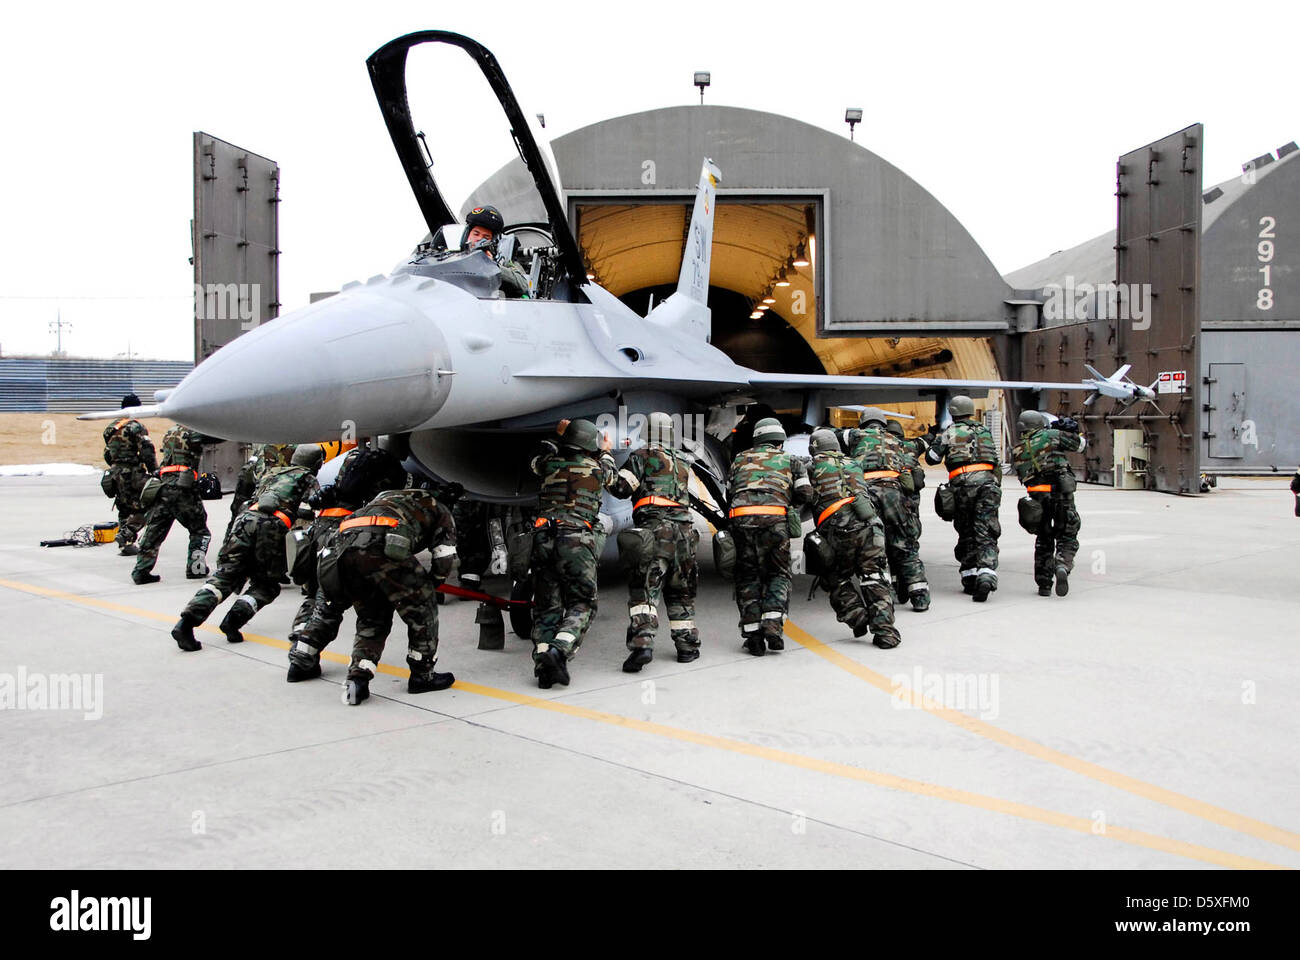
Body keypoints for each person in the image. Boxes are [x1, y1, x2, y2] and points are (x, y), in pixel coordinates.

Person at [171, 444, 322, 652]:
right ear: (317, 463)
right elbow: (312, 510)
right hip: (272, 526)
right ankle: (233, 621)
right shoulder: (308, 478)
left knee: (226, 575)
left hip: (244, 520)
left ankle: (185, 624)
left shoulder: (273, 472)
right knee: (266, 585)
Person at [324, 487, 458, 706]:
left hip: (344, 544)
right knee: (422, 612)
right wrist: (433, 583)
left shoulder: (388, 497)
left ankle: (357, 678)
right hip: (382, 543)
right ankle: (422, 675)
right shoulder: (439, 508)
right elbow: (444, 556)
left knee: (372, 617)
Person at [286, 445, 408, 682]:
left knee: (325, 602)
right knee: (373, 613)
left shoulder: (350, 460)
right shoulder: (381, 463)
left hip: (325, 533)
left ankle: (301, 660)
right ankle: (359, 675)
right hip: (352, 535)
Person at [529, 418, 619, 688]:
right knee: (582, 603)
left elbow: (536, 462)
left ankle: (544, 665)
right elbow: (613, 478)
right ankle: (559, 651)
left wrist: (559, 438)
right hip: (577, 541)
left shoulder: (547, 464)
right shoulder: (597, 468)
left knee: (547, 607)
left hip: (544, 538)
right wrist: (605, 450)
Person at [607, 412, 700, 672]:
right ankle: (687, 647)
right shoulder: (683, 460)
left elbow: (621, 489)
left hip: (655, 530)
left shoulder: (641, 456)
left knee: (645, 589)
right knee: (681, 590)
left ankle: (642, 644)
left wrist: (604, 457)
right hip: (685, 534)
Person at [726, 416, 813, 656]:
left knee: (747, 576)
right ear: (780, 440)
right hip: (775, 522)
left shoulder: (739, 460)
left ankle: (753, 636)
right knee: (778, 574)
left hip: (741, 521)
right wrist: (786, 503)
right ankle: (773, 626)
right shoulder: (792, 460)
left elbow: (729, 493)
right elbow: (806, 494)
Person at [806, 429, 900, 648]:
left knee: (833, 576)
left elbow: (802, 495)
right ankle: (886, 633)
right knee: (875, 577)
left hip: (839, 527)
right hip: (871, 526)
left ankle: (856, 616)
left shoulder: (811, 467)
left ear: (814, 448)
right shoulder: (855, 464)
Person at [843, 409, 930, 612]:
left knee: (874, 547)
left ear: (864, 423)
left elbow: (830, 436)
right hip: (894, 492)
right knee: (906, 545)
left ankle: (886, 598)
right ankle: (920, 597)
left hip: (869, 493)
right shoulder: (898, 441)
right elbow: (922, 444)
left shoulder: (856, 435)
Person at [925, 395, 1002, 602]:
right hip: (988, 484)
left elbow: (931, 459)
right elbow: (995, 461)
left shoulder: (949, 432)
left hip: (962, 486)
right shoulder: (985, 431)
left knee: (966, 530)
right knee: (986, 530)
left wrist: (932, 438)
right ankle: (986, 573)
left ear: (953, 412)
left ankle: (969, 579)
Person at [131, 425, 222, 584]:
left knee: (154, 531)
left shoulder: (170, 431)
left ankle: (141, 570)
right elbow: (218, 436)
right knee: (199, 531)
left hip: (163, 487)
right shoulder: (194, 432)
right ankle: (196, 568)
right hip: (183, 490)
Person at [1011, 410, 1087, 596]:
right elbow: (1081, 446)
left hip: (1037, 499)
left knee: (1043, 540)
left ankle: (1044, 584)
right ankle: (1062, 564)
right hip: (1061, 495)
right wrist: (1070, 431)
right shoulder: (1051, 435)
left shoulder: (1017, 449)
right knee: (1067, 533)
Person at [101, 394, 157, 556]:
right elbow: (147, 450)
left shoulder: (111, 428)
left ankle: (126, 545)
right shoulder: (136, 427)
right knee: (145, 505)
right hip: (133, 473)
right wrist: (154, 471)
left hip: (115, 473)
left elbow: (107, 454)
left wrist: (116, 466)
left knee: (124, 507)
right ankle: (127, 534)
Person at [884, 418, 929, 605]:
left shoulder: (876, 447)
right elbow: (926, 441)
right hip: (908, 509)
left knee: (885, 549)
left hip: (886, 505)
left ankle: (892, 590)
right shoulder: (911, 447)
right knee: (908, 550)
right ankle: (920, 597)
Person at [461, 205, 531, 298]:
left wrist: (492, 266)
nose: (479, 239)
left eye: (486, 237)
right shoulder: (452, 257)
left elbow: (523, 285)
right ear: (467, 235)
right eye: (476, 234)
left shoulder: (504, 263)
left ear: (493, 242)